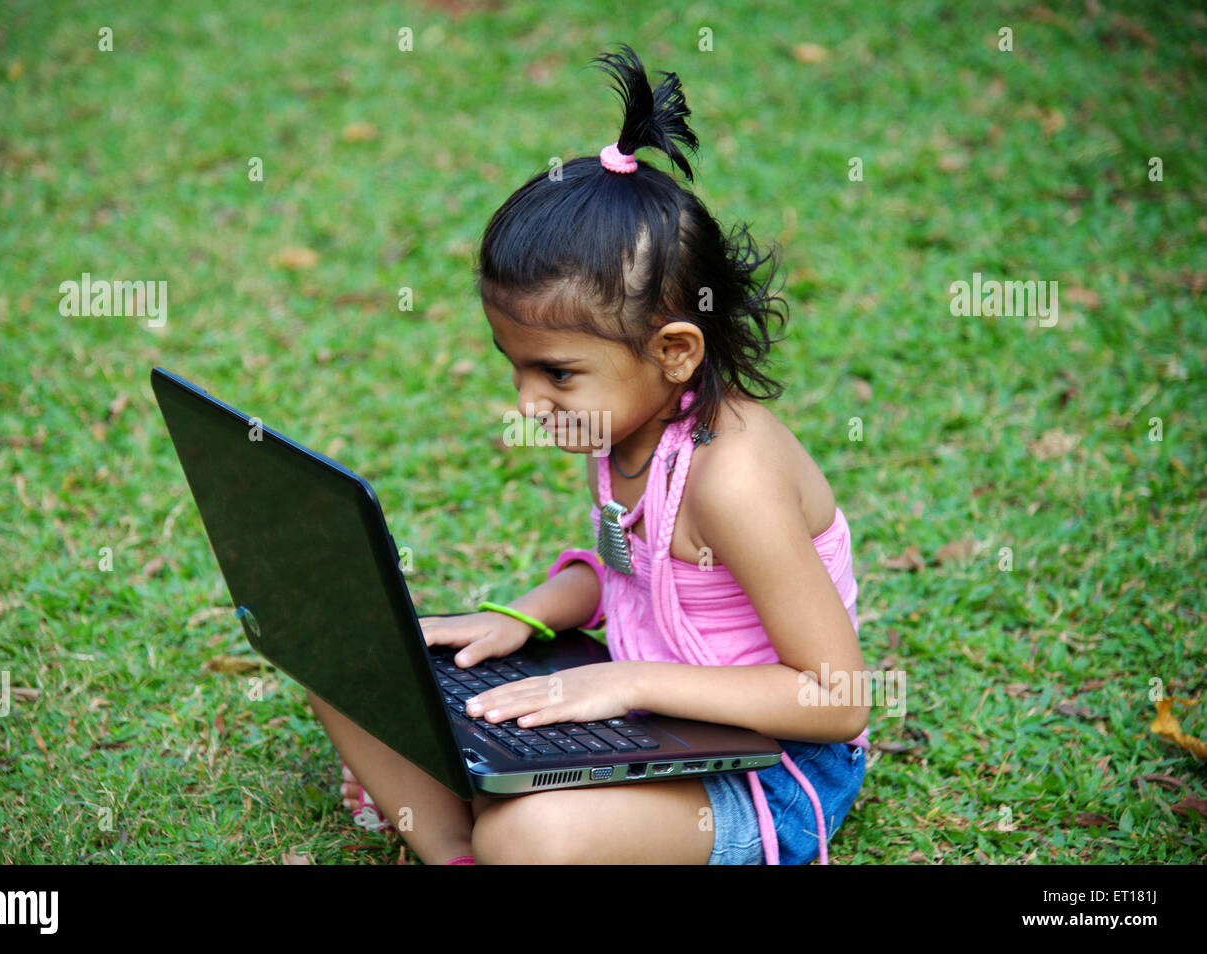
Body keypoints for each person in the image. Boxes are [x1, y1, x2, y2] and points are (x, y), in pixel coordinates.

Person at [306, 42, 870, 865]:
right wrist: (520, 617)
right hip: (659, 722)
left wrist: (628, 681)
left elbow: (837, 700)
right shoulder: (623, 422)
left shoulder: (735, 477)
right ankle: (475, 847)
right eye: (517, 366)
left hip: (771, 767)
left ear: (674, 350)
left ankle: (496, 841)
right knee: (355, 670)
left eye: (556, 374)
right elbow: (624, 570)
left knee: (533, 831)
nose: (529, 404)